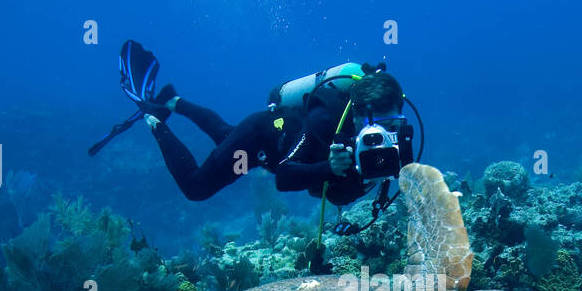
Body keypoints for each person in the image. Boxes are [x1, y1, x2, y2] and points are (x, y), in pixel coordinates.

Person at [119, 43, 414, 210]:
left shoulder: (397, 141)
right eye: (375, 124)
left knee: (223, 133)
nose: (383, 134)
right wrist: (330, 168)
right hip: (260, 138)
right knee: (196, 187)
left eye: (392, 124)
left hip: (272, 144)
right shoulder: (324, 120)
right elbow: (284, 177)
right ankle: (154, 120)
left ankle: (173, 100)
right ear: (357, 116)